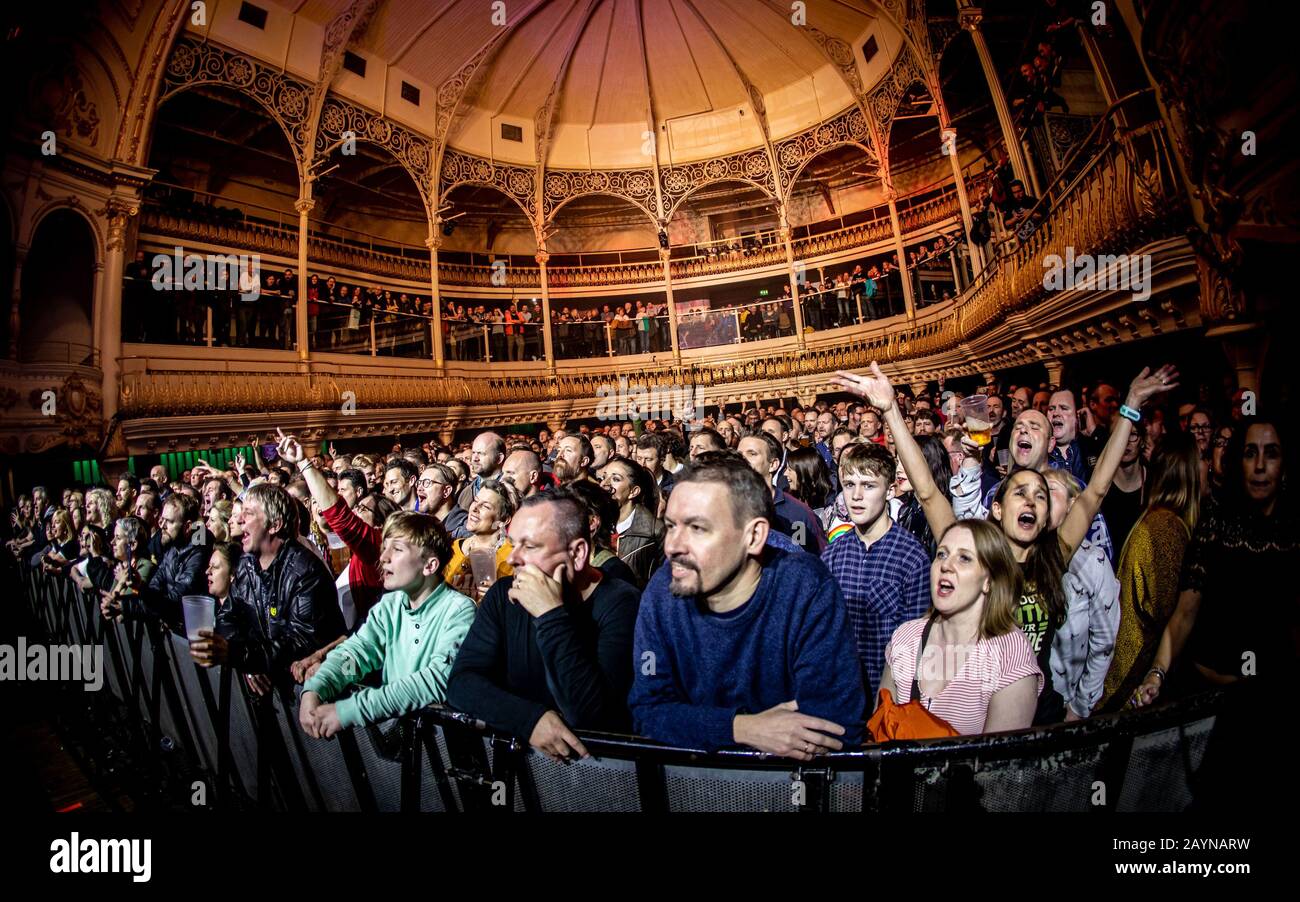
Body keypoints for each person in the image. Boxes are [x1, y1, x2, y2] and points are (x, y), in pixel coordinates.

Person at [834, 360, 1176, 725]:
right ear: (996, 507)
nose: (1030, 500)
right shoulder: (978, 555)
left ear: (1046, 518)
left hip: (1038, 708)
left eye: (1041, 497)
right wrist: (890, 411)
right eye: (1020, 493)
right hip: (974, 700)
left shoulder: (1052, 557)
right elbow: (929, 492)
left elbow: (1095, 491)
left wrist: (1131, 405)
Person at [628, 452, 866, 756]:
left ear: (754, 536)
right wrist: (742, 728)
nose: (673, 546)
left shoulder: (805, 588)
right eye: (671, 526)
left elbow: (834, 727)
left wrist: (694, 726)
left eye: (697, 528)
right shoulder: (663, 592)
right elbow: (647, 712)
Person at [446, 491, 640, 761]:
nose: (512, 558)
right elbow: (461, 683)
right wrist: (528, 720)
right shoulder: (504, 595)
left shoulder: (622, 604)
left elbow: (592, 716)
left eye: (530, 546)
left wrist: (550, 613)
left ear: (577, 553)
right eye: (513, 543)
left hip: (596, 777)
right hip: (521, 774)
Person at [1134, 418, 1296, 707]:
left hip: (1273, 696)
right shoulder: (1216, 523)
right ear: (1238, 461)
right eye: (1250, 453)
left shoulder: (1293, 533)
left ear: (1284, 465)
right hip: (1204, 694)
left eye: (1271, 453)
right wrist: (1156, 674)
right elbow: (1185, 613)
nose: (1260, 465)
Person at [298, 512, 476, 736]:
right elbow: (355, 657)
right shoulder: (390, 605)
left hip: (442, 752)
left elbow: (435, 681)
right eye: (385, 548)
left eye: (397, 549)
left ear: (430, 565)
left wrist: (349, 710)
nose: (383, 558)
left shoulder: (459, 611)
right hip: (405, 744)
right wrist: (317, 687)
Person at [878, 520, 1042, 735]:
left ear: (989, 581)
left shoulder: (1010, 653)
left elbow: (998, 763)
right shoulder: (905, 638)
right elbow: (879, 735)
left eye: (964, 558)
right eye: (941, 554)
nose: (945, 565)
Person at [1098, 434, 1200, 711]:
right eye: (1201, 460)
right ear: (1187, 470)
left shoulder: (1165, 520)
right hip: (1133, 678)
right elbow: (1163, 613)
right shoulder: (1165, 527)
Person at [821, 442, 930, 699]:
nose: (856, 496)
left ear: (890, 490)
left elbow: (914, 644)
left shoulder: (912, 557)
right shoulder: (833, 555)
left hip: (893, 698)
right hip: (843, 695)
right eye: (849, 485)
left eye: (868, 485)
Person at [221, 483, 345, 688]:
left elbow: (300, 642)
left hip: (310, 696)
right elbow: (227, 616)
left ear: (274, 525)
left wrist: (243, 656)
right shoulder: (246, 565)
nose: (238, 519)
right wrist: (246, 665)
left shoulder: (305, 570)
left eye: (248, 513)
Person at [1042, 468, 1120, 720]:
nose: (1038, 496)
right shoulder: (1022, 554)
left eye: (1050, 489)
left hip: (1065, 707)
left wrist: (1079, 708)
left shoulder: (1093, 562)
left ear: (1072, 504)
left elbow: (1104, 643)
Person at [109, 493, 212, 632]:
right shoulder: (171, 550)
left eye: (169, 521)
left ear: (187, 526)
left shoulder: (198, 555)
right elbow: (154, 588)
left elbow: (175, 602)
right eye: (162, 519)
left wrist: (127, 605)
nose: (161, 525)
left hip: (193, 636)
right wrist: (132, 596)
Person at [738, 431, 826, 552]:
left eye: (752, 454)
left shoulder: (797, 513)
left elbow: (809, 560)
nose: (742, 459)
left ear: (773, 464)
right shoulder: (728, 506)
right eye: (739, 454)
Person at [443, 478, 518, 601]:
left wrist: (498, 595)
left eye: (486, 506)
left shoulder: (512, 557)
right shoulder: (453, 547)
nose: (474, 508)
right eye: (475, 501)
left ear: (504, 520)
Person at [599, 455, 663, 588]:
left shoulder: (655, 532)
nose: (604, 484)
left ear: (633, 492)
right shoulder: (596, 524)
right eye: (604, 477)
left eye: (615, 479)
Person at [456, 432, 505, 510]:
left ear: (499, 458)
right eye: (473, 453)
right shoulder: (465, 492)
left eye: (481, 453)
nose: (475, 459)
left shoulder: (510, 493)